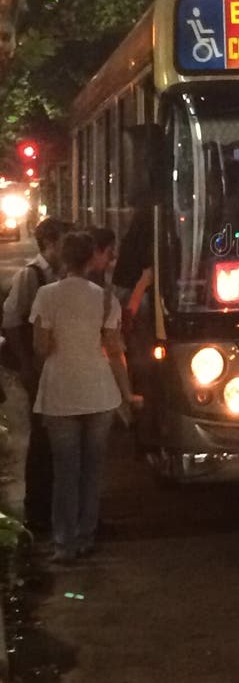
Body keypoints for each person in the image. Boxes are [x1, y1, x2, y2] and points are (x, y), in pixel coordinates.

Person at [30, 231, 142, 563]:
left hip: (60, 392)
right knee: (92, 469)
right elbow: (114, 350)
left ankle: (64, 543)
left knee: (65, 470)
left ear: (64, 259)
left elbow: (41, 347)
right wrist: (127, 393)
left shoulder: (46, 296)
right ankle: (86, 536)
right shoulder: (105, 299)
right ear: (91, 258)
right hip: (99, 393)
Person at [2, 216, 66, 533]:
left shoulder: (58, 275)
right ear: (50, 243)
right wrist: (26, 362)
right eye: (63, 241)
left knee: (55, 438)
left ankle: (52, 507)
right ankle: (38, 510)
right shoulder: (31, 276)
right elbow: (12, 321)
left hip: (54, 368)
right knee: (41, 439)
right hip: (37, 369)